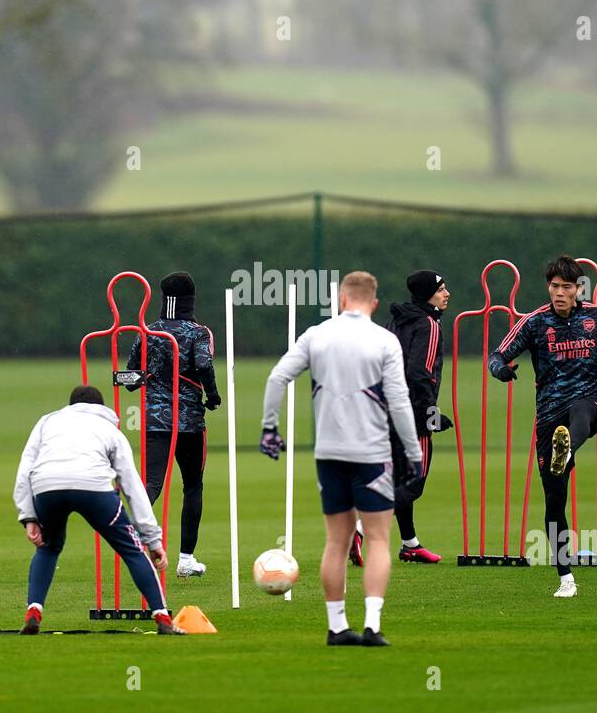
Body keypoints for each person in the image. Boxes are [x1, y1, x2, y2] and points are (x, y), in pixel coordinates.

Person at [260, 270, 421, 646]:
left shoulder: (317, 335)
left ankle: (336, 627)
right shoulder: (384, 340)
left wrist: (270, 429)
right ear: (374, 303)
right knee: (378, 539)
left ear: (343, 300)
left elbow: (277, 377)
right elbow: (398, 401)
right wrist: (413, 453)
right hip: (372, 454)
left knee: (336, 540)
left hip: (328, 453)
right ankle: (373, 626)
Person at [489, 255, 597, 596]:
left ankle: (569, 445)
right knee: (554, 499)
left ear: (578, 289)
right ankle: (565, 578)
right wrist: (501, 370)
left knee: (582, 411)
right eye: (555, 286)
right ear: (549, 288)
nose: (560, 293)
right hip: (548, 416)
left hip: (592, 401)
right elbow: (497, 356)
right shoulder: (533, 323)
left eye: (567, 287)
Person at [12, 384, 182, 635]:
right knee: (132, 550)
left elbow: (25, 467)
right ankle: (162, 618)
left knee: (48, 548)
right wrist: (153, 540)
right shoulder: (109, 429)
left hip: (47, 485)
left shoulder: (47, 422)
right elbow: (132, 484)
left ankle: (34, 611)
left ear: (70, 406)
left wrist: (28, 516)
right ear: (102, 408)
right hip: (93, 486)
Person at [124, 272, 220, 577]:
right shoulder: (198, 332)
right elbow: (204, 365)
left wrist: (150, 377)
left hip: (154, 419)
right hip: (190, 421)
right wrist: (214, 396)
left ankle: (126, 533)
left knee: (151, 483)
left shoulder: (147, 331)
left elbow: (129, 378)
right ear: (191, 300)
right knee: (192, 485)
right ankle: (186, 559)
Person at [368, 269, 452, 566]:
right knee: (413, 483)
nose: (447, 294)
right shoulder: (429, 325)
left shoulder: (397, 320)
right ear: (428, 295)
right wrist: (431, 414)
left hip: (383, 410)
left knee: (397, 478)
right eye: (441, 289)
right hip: (411, 415)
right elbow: (421, 373)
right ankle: (357, 529)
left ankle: (410, 545)